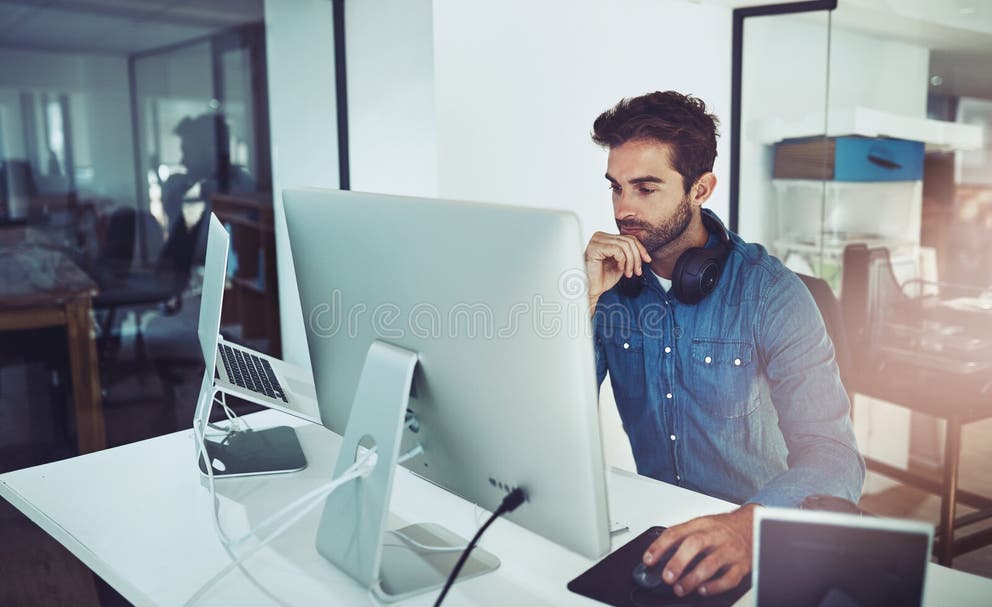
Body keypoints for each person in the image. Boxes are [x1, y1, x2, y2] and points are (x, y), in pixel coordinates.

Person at [585, 91, 864, 598]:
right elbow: (551, 414)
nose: (623, 209)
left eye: (645, 188)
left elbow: (835, 455)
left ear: (701, 189)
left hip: (759, 539)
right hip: (658, 532)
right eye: (616, 188)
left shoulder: (771, 293)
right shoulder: (607, 290)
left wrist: (749, 526)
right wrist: (582, 298)